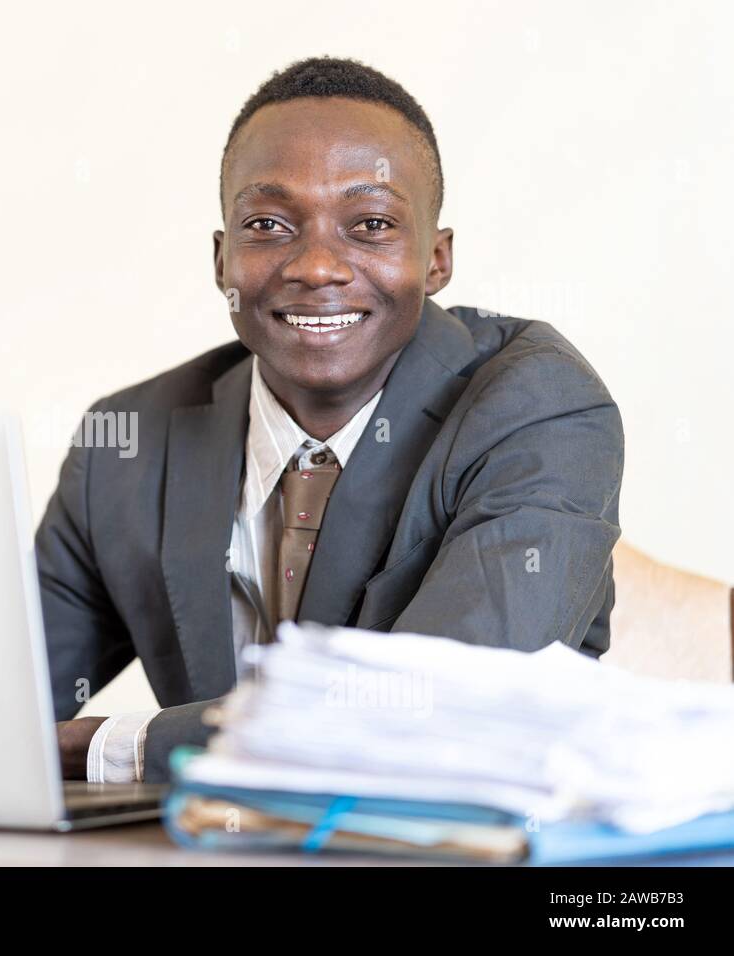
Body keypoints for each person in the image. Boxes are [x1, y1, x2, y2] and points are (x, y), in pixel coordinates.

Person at [38, 57, 624, 784]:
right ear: (223, 259)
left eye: (371, 223)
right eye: (268, 224)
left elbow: (437, 706)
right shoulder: (126, 443)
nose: (317, 266)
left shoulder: (537, 406)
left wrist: (107, 746)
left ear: (435, 259)